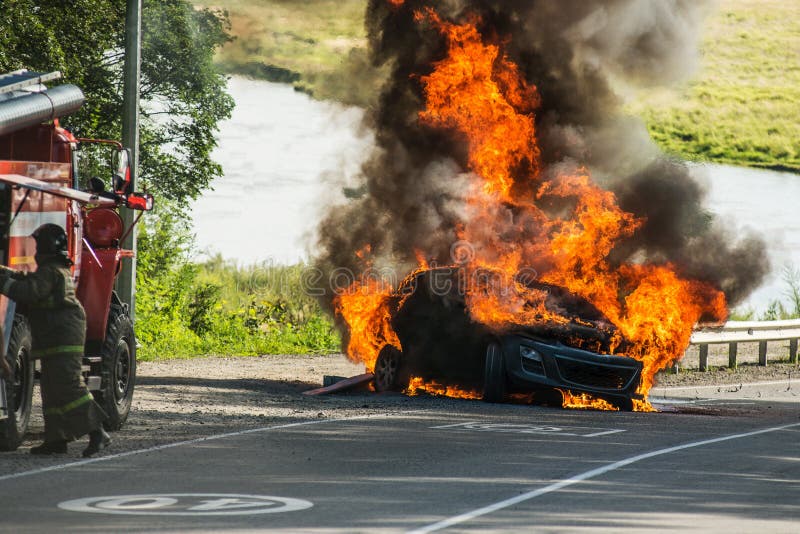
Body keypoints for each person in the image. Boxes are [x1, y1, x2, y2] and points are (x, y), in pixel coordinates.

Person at [0, 223, 110, 457]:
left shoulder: (51, 271)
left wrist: (4, 283)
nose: (36, 250)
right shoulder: (51, 271)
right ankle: (56, 439)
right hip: (54, 336)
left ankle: (97, 431)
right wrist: (7, 274)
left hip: (63, 336)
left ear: (48, 248)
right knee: (51, 390)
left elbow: (30, 292)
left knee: (68, 386)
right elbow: (30, 282)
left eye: (39, 245)